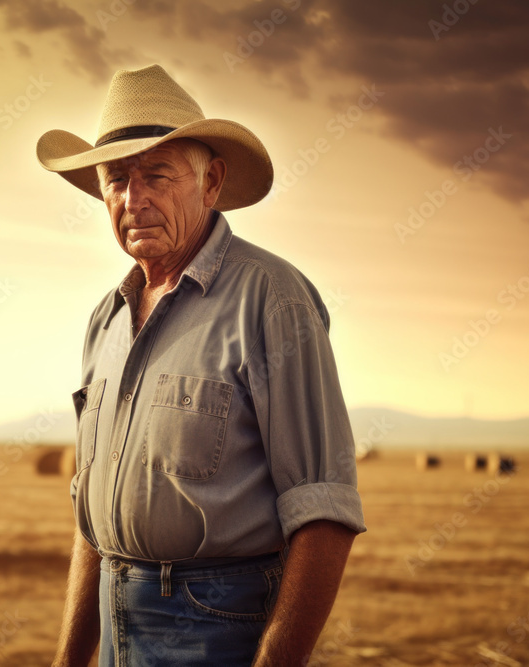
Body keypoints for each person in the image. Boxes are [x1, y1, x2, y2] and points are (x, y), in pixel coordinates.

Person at [37, 64, 366, 666]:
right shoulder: (105, 320)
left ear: (210, 182)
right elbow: (95, 514)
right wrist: (69, 659)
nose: (134, 201)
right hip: (114, 623)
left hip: (216, 626)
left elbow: (325, 511)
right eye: (116, 180)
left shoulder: (273, 300)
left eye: (156, 175)